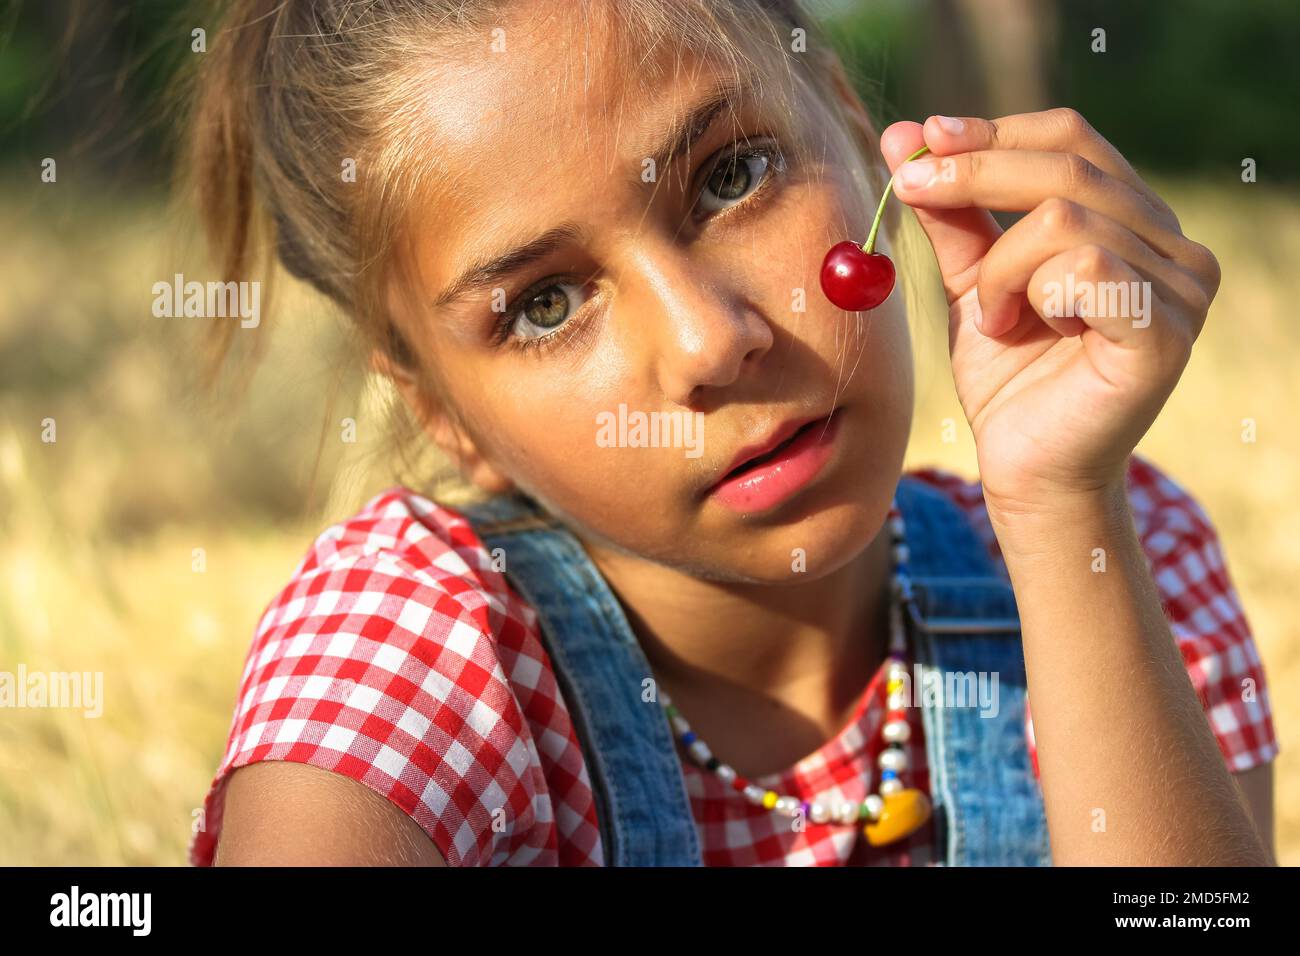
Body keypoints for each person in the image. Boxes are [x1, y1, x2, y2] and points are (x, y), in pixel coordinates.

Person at [184, 0, 1276, 866]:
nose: (709, 340)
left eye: (732, 175)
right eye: (545, 304)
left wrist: (1058, 504)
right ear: (438, 407)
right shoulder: (420, 641)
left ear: (855, 133)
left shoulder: (1119, 546)